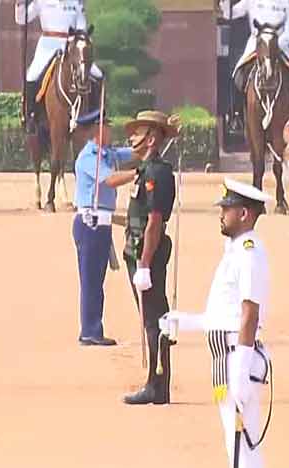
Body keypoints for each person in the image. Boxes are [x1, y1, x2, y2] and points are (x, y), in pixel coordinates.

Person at [158, 179, 274, 468]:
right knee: (237, 447)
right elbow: (221, 315)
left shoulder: (249, 252)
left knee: (243, 448)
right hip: (224, 357)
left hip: (235, 357)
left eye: (226, 209)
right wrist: (187, 321)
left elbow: (249, 312)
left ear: (244, 214)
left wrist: (240, 363)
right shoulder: (235, 251)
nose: (220, 214)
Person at [117, 111, 179, 406]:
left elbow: (154, 222)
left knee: (154, 320)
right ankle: (156, 383)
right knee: (150, 319)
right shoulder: (144, 170)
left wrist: (144, 263)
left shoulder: (157, 172)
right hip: (138, 248)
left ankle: (157, 383)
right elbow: (139, 218)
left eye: (138, 132)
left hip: (147, 254)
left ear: (151, 139)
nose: (131, 137)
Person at [71, 108, 134, 346]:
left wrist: (159, 137)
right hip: (90, 225)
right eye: (106, 126)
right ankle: (89, 331)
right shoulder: (89, 157)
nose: (110, 130)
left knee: (97, 281)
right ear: (97, 131)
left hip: (102, 225)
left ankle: (93, 328)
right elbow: (110, 179)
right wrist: (136, 173)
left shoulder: (108, 154)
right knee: (91, 281)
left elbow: (134, 153)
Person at [15, 0, 101, 135]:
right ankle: (31, 116)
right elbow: (21, 19)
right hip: (48, 43)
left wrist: (80, 37)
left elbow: (81, 25)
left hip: (71, 44)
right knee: (32, 75)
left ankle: (97, 113)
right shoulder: (41, 2)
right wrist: (20, 4)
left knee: (97, 74)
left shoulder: (75, 2)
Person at [221, 0, 289, 123]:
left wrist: (274, 43)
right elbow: (230, 14)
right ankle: (236, 113)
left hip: (280, 44)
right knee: (237, 72)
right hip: (256, 43)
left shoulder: (287, 3)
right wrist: (225, 5)